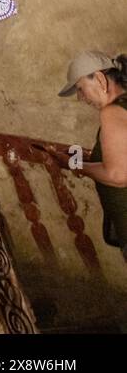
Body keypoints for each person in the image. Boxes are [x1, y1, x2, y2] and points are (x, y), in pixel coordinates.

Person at [37, 51, 127, 261]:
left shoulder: (112, 113)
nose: (81, 98)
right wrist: (81, 160)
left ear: (99, 79)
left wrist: (77, 166)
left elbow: (118, 175)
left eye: (80, 89)